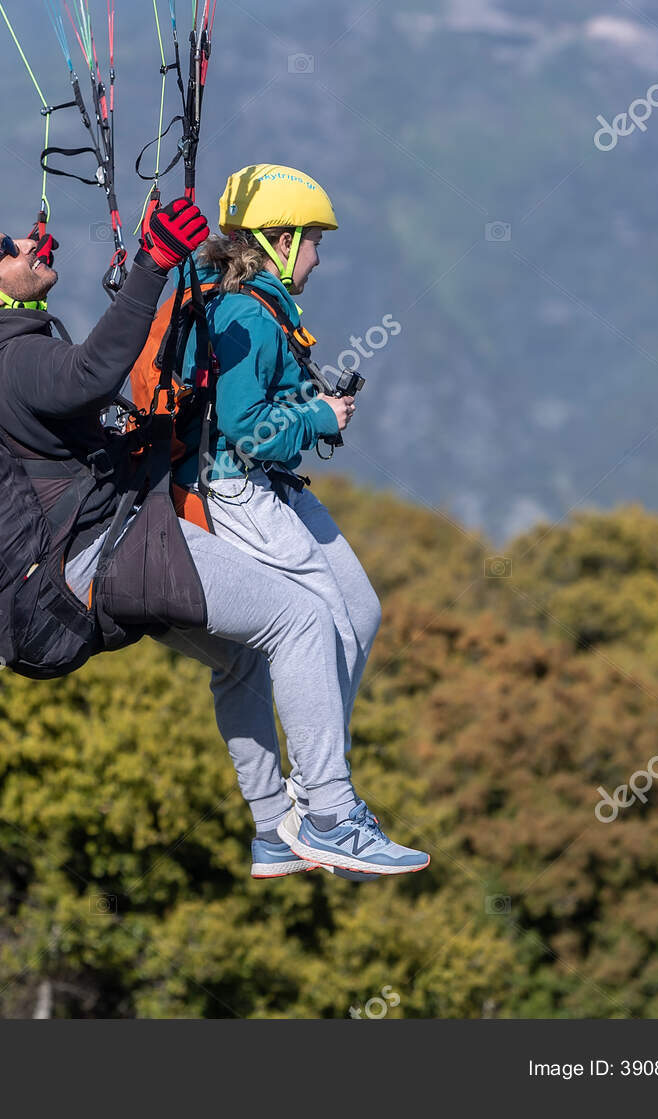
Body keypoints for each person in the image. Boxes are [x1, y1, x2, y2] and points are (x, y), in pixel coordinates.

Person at [0, 196, 427, 879]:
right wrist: (152, 263)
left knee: (240, 658)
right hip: (105, 561)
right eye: (7, 249)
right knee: (299, 619)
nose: (29, 245)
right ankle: (330, 814)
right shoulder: (13, 361)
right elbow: (92, 372)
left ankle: (274, 829)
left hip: (69, 581)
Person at [170, 163, 413, 876]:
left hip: (272, 483)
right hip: (236, 487)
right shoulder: (246, 312)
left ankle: (301, 809)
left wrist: (315, 414)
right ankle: (323, 811)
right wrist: (315, 414)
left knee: (360, 612)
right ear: (278, 238)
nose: (318, 257)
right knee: (320, 624)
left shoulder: (259, 305)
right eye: (312, 242)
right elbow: (244, 430)